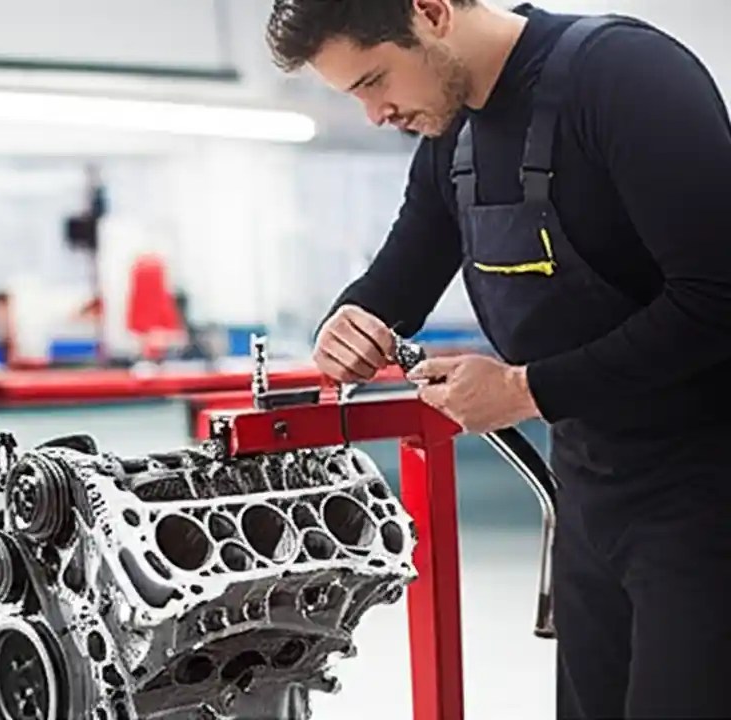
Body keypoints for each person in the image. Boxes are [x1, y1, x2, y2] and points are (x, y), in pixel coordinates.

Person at [266, 1, 731, 717]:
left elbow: (717, 298)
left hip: (706, 496)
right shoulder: (452, 137)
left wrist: (526, 389)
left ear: (431, 12)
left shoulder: (624, 78)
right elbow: (401, 274)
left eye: (373, 81)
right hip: (590, 498)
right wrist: (350, 321)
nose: (374, 114)